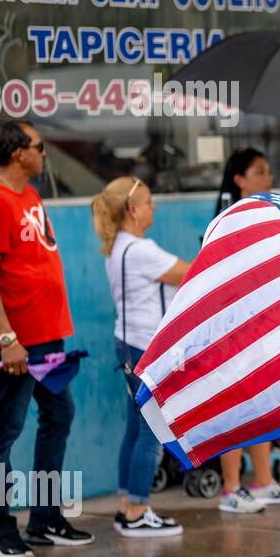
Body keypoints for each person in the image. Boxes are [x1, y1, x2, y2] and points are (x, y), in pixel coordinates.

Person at [0, 121, 92, 557]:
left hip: (48, 339)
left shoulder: (30, 196)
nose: (45, 154)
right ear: (16, 152)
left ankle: (44, 519)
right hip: (18, 343)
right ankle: (0, 528)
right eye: (39, 147)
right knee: (3, 432)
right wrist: (8, 339)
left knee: (58, 416)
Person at [91, 176, 189, 537]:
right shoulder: (142, 251)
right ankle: (137, 511)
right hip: (146, 347)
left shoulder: (118, 247)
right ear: (133, 211)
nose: (154, 208)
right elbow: (189, 273)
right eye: (148, 202)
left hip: (129, 344)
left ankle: (126, 506)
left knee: (135, 428)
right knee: (152, 430)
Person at [211, 149, 280, 512]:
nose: (268, 178)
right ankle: (230, 489)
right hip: (235, 327)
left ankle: (263, 481)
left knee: (262, 404)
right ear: (239, 179)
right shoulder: (228, 219)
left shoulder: (269, 214)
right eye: (260, 172)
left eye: (270, 172)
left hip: (265, 324)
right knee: (233, 405)